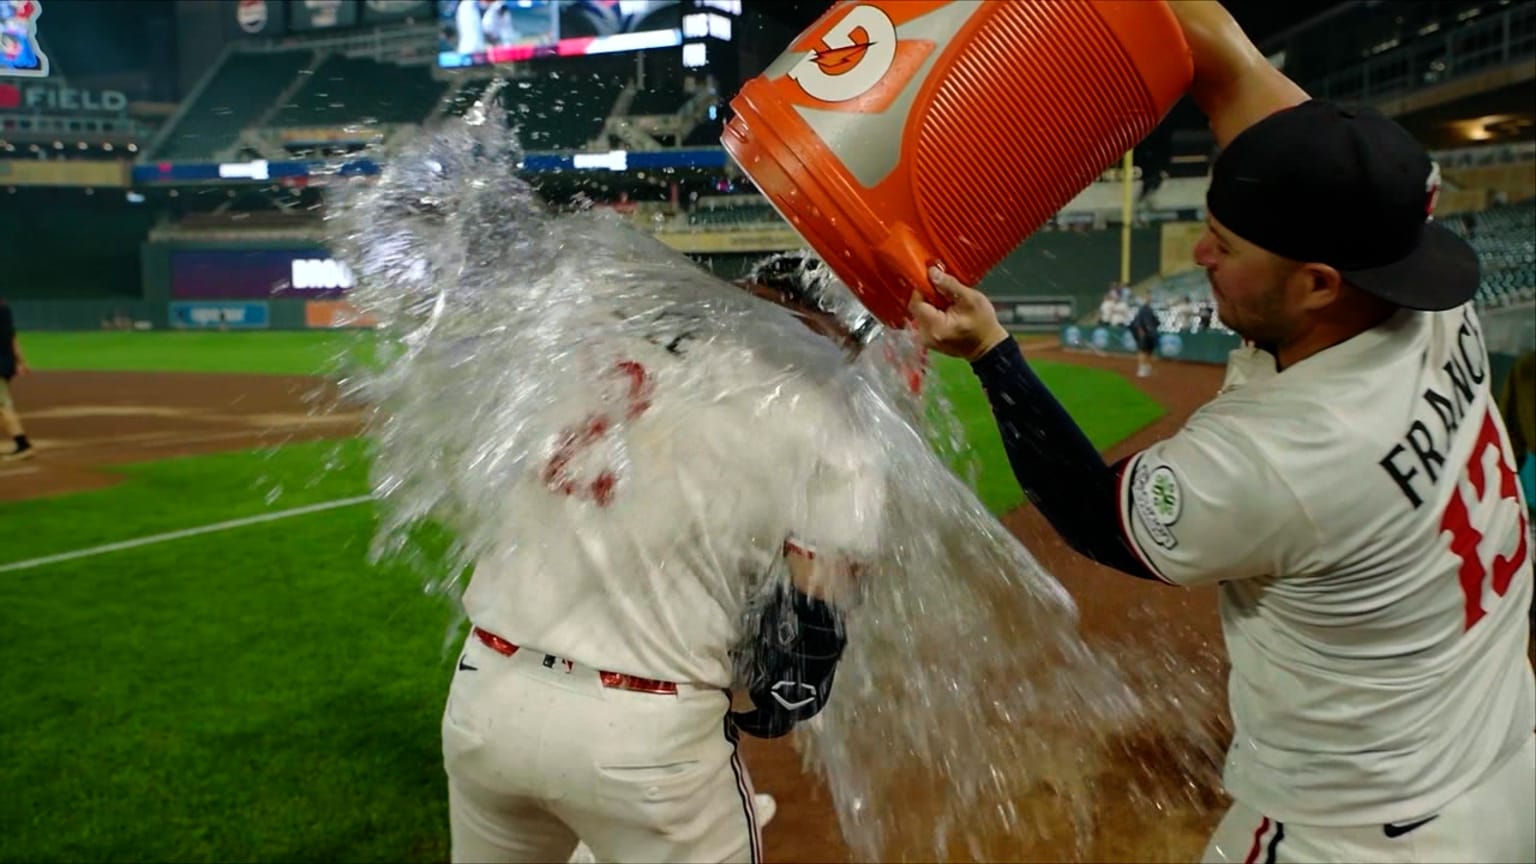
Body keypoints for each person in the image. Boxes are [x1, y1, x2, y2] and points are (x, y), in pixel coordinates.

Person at [907, 2, 1534, 862]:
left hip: (1359, 834)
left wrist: (991, 353)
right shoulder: (1419, 286)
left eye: (1223, 245)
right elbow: (1237, 70)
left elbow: (1096, 514)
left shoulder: (1282, 453)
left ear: (1319, 284)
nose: (1200, 256)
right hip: (1501, 761)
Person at [442, 254, 887, 864]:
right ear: (828, 328)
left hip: (485, 695)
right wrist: (790, 683)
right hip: (645, 736)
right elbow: (817, 612)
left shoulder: (599, 350)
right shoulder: (828, 414)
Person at [0, 296, 32, 461]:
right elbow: (13, 338)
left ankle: (23, 446)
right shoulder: (4, 309)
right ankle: (22, 445)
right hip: (6, 363)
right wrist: (21, 361)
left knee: (4, 407)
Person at [1128, 292, 1160, 378]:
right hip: (1144, 333)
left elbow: (1155, 322)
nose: (1149, 298)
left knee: (1149, 351)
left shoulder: (1150, 309)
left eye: (1149, 296)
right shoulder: (1142, 309)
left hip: (1151, 333)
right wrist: (1140, 331)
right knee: (1143, 351)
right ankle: (1141, 369)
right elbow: (1138, 321)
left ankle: (1147, 367)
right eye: (1147, 297)